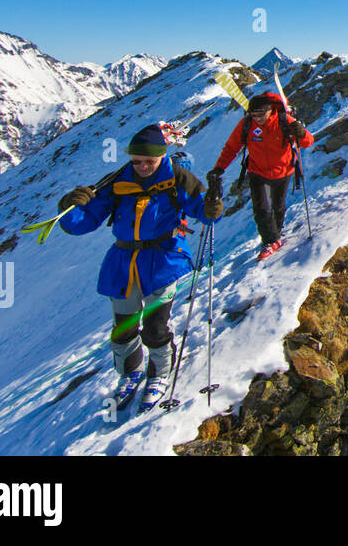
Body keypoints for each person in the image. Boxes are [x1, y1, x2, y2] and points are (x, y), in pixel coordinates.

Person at [58, 123, 224, 410]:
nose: (143, 166)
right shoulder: (116, 182)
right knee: (123, 327)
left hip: (162, 260)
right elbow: (84, 223)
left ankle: (159, 373)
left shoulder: (179, 179)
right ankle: (130, 373)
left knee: (155, 327)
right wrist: (70, 207)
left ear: (162, 156)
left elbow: (203, 211)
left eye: (150, 161)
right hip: (123, 265)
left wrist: (211, 208)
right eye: (137, 161)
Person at [208, 91, 312, 259]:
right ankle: (270, 241)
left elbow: (307, 142)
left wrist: (301, 132)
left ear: (270, 110)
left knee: (278, 207)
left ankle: (275, 236)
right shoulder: (247, 124)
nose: (257, 118)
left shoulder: (284, 121)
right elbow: (231, 148)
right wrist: (219, 168)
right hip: (257, 172)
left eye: (261, 114)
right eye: (253, 115)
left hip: (283, 171)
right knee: (261, 209)